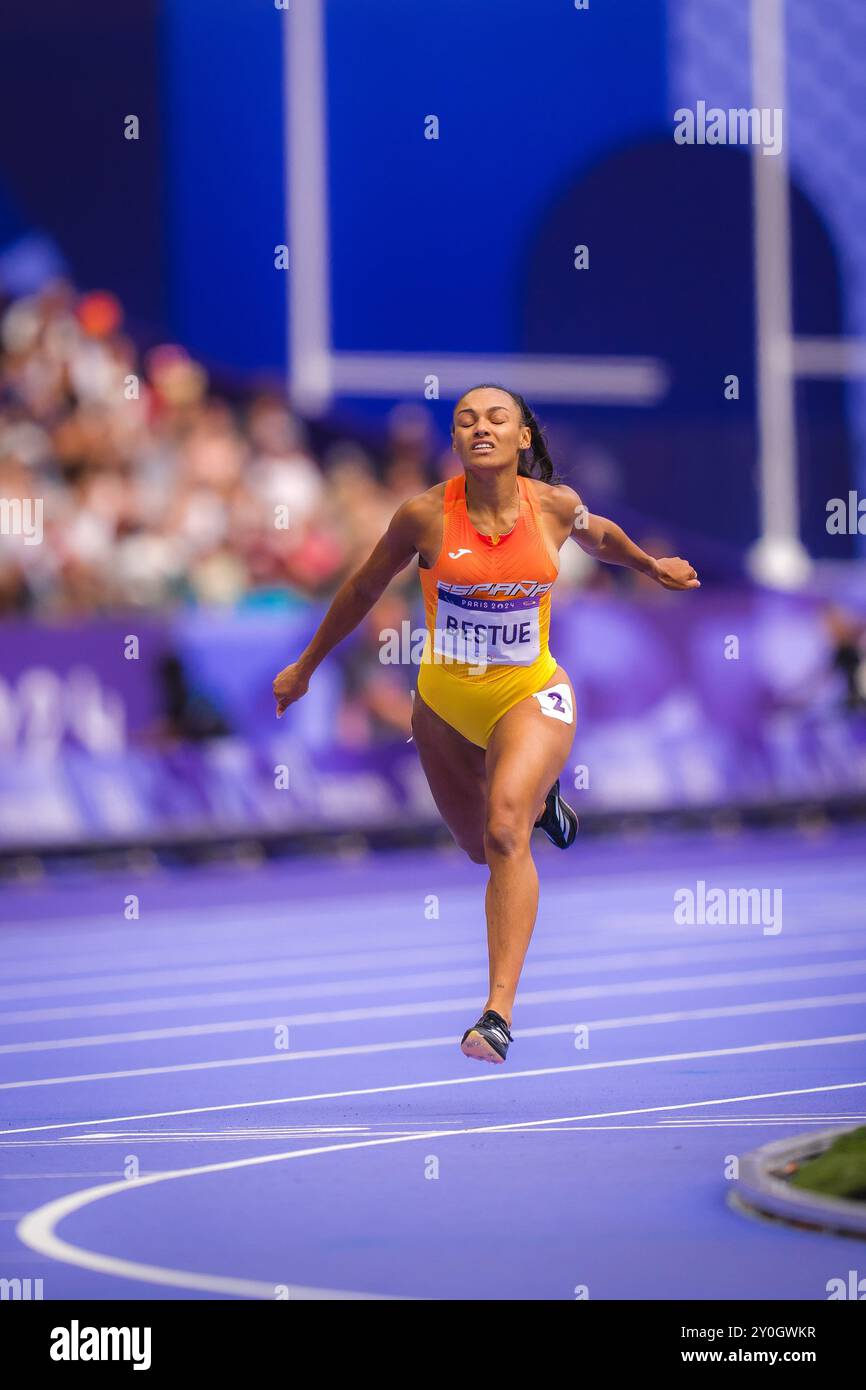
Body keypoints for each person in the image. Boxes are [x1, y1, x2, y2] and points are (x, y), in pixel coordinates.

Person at [273, 385, 700, 1063]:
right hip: (442, 705)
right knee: (479, 848)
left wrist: (650, 565)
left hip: (531, 694)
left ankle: (497, 1013)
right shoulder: (424, 517)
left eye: (496, 418)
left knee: (504, 834)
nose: (480, 427)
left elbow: (604, 536)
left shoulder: (554, 507)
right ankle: (542, 801)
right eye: (466, 419)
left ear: (522, 437)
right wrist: (305, 667)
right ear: (456, 439)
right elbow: (360, 590)